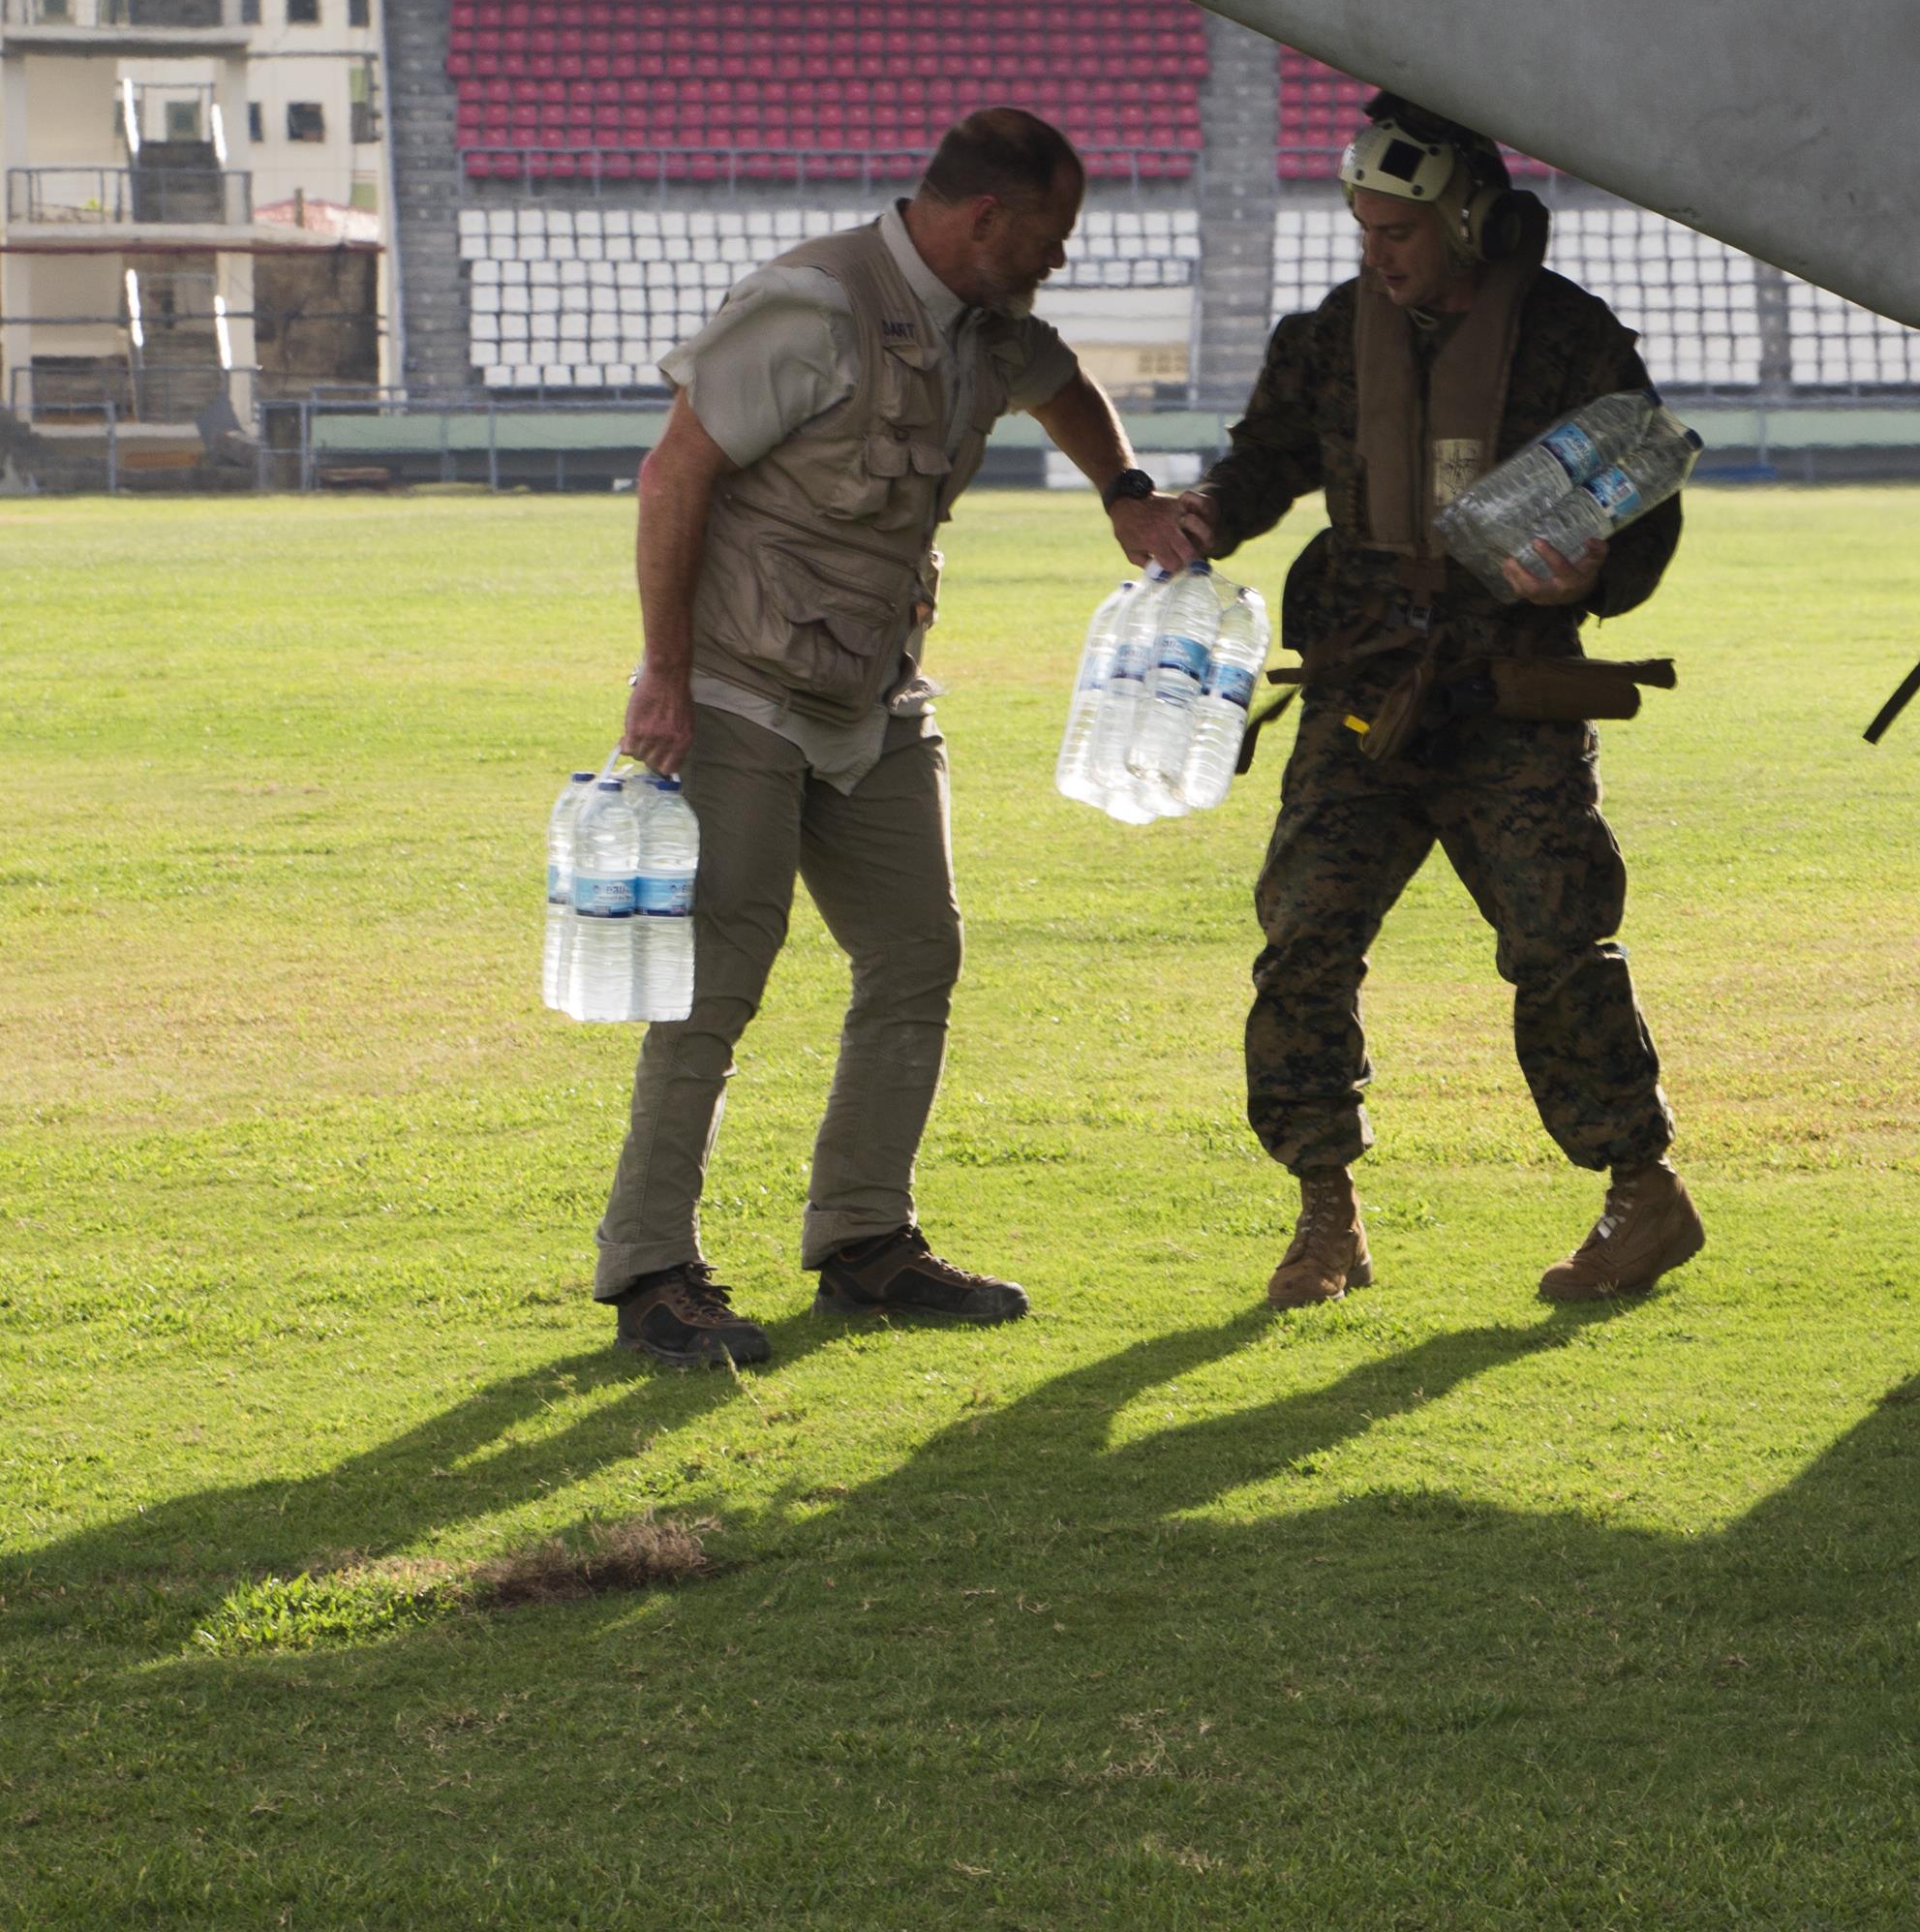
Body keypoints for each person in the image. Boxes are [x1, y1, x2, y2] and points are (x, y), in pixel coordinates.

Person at [597, 107, 1196, 1370]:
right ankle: (652, 1273)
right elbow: (675, 475)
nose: (1059, 261)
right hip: (741, 689)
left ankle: (864, 1242)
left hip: (873, 707)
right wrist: (663, 676)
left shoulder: (990, 329)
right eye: (1050, 237)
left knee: (915, 953)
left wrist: (1126, 494)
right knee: (716, 978)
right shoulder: (812, 302)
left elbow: (1062, 382)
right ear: (987, 219)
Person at [1172, 94, 1702, 1310]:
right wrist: (1207, 514)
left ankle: (1642, 1193)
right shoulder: (1323, 339)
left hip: (1507, 690)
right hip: (1362, 685)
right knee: (1304, 937)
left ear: (1468, 220)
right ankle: (1325, 1215)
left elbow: (1643, 495)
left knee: (1559, 943)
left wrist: (1601, 571)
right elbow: (1263, 460)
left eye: (1398, 232)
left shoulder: (1571, 341)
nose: (1377, 253)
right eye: (1364, 231)